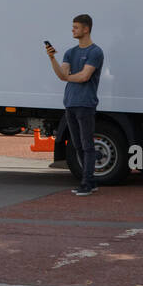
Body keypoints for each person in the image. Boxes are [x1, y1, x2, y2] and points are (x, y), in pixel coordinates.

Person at [47, 14, 104, 196]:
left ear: (86, 29)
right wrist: (52, 59)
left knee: (87, 144)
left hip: (86, 104)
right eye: (73, 27)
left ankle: (87, 183)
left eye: (76, 27)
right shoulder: (70, 52)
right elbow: (61, 75)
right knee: (78, 144)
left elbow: (84, 76)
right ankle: (90, 181)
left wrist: (68, 78)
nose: (73, 30)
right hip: (70, 104)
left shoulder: (96, 52)